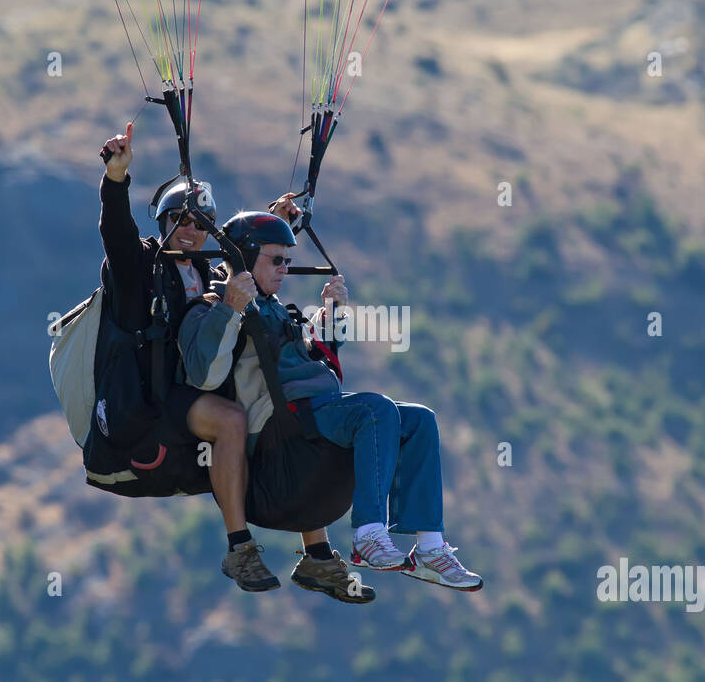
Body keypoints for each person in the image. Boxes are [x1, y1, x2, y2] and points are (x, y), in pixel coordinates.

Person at [179, 207, 483, 592]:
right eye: (276, 260)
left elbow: (313, 357)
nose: (285, 269)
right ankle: (369, 536)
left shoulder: (273, 307)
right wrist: (230, 308)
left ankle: (431, 549)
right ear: (244, 256)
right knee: (376, 410)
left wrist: (332, 315)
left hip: (317, 411)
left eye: (288, 261)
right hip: (284, 429)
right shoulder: (217, 304)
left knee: (420, 419)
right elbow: (204, 374)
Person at [97, 124, 276, 594]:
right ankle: (240, 548)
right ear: (166, 221)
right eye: (184, 219)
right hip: (154, 398)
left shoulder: (205, 269)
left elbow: (250, 257)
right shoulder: (141, 268)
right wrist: (116, 180)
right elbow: (116, 233)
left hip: (193, 384)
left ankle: (311, 538)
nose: (194, 230)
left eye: (203, 222)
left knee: (280, 398)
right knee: (232, 420)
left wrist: (278, 221)